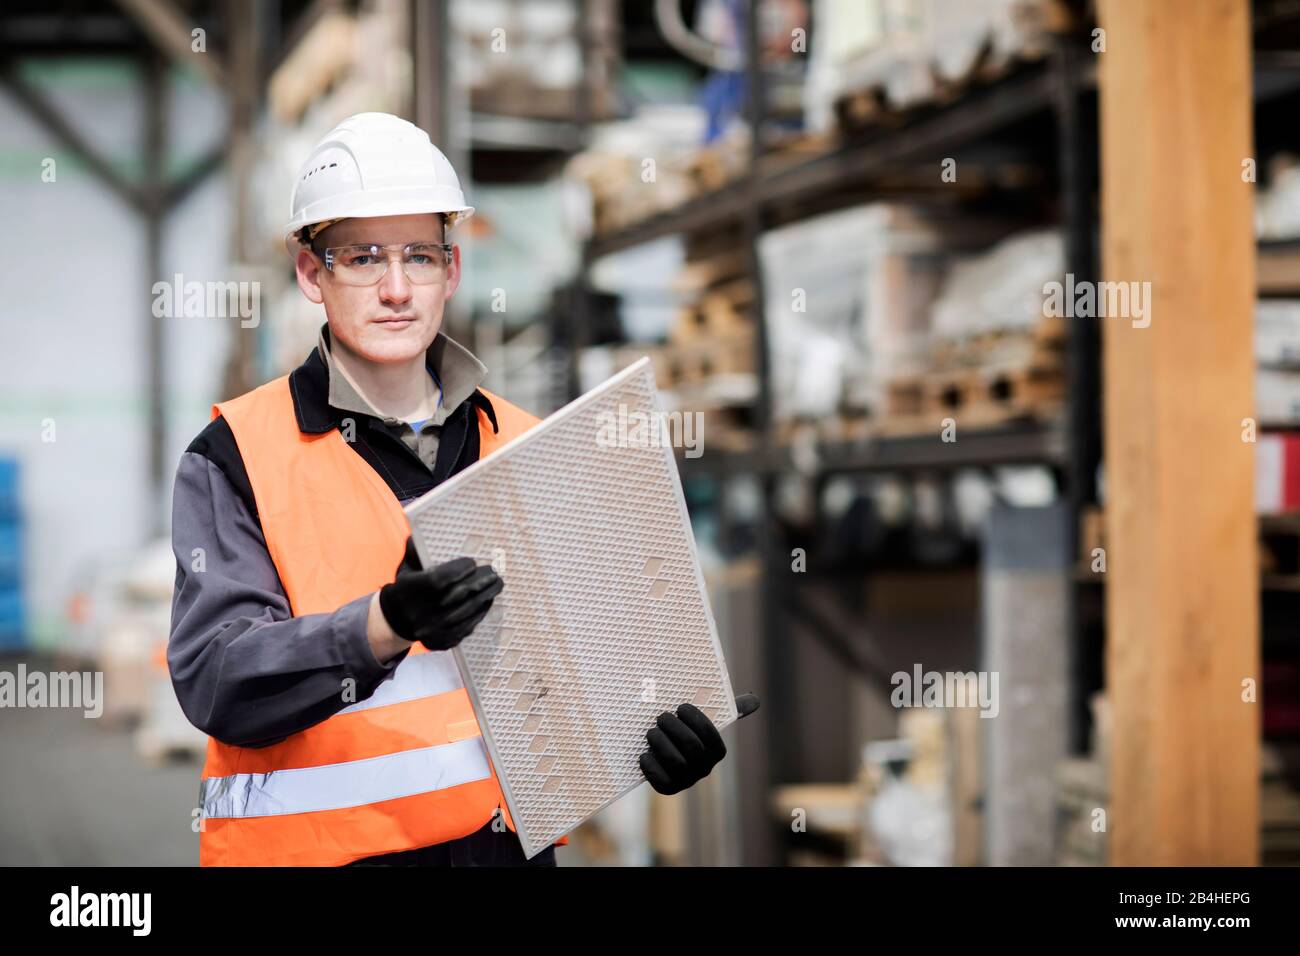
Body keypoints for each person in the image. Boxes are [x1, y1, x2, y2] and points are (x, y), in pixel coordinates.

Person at [167, 112, 759, 867]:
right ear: (312, 273)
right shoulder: (237, 456)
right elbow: (217, 681)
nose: (394, 289)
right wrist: (383, 622)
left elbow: (575, 673)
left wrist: (654, 737)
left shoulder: (527, 444)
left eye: (418, 256)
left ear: (451, 271)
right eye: (362, 258)